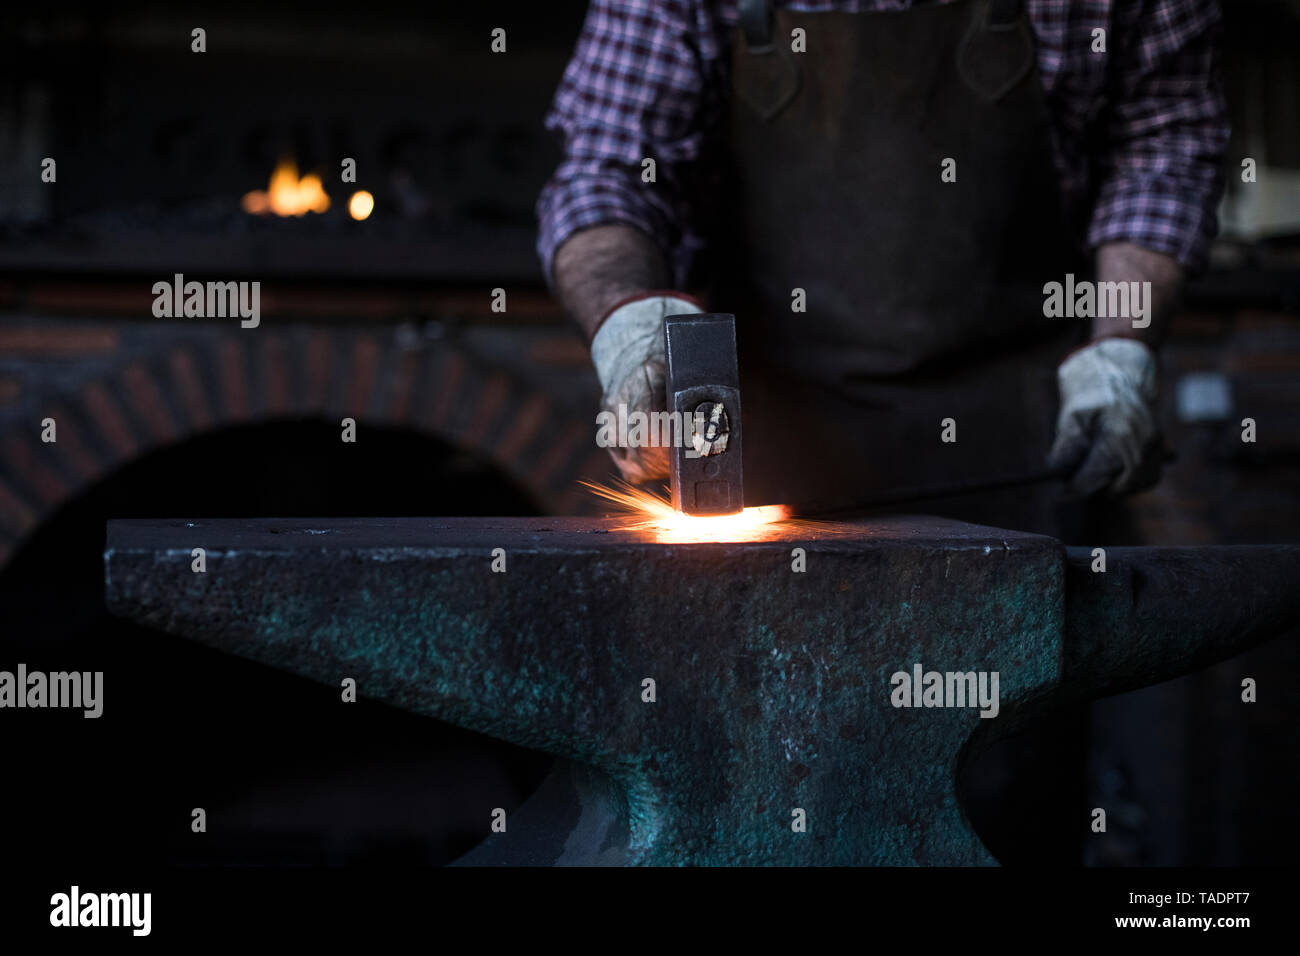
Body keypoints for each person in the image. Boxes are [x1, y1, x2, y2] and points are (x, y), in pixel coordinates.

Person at [537, 0, 1228, 537]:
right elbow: (609, 169)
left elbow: (1161, 146)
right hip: (769, 442)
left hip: (1023, 450)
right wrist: (630, 326)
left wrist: (1120, 347)